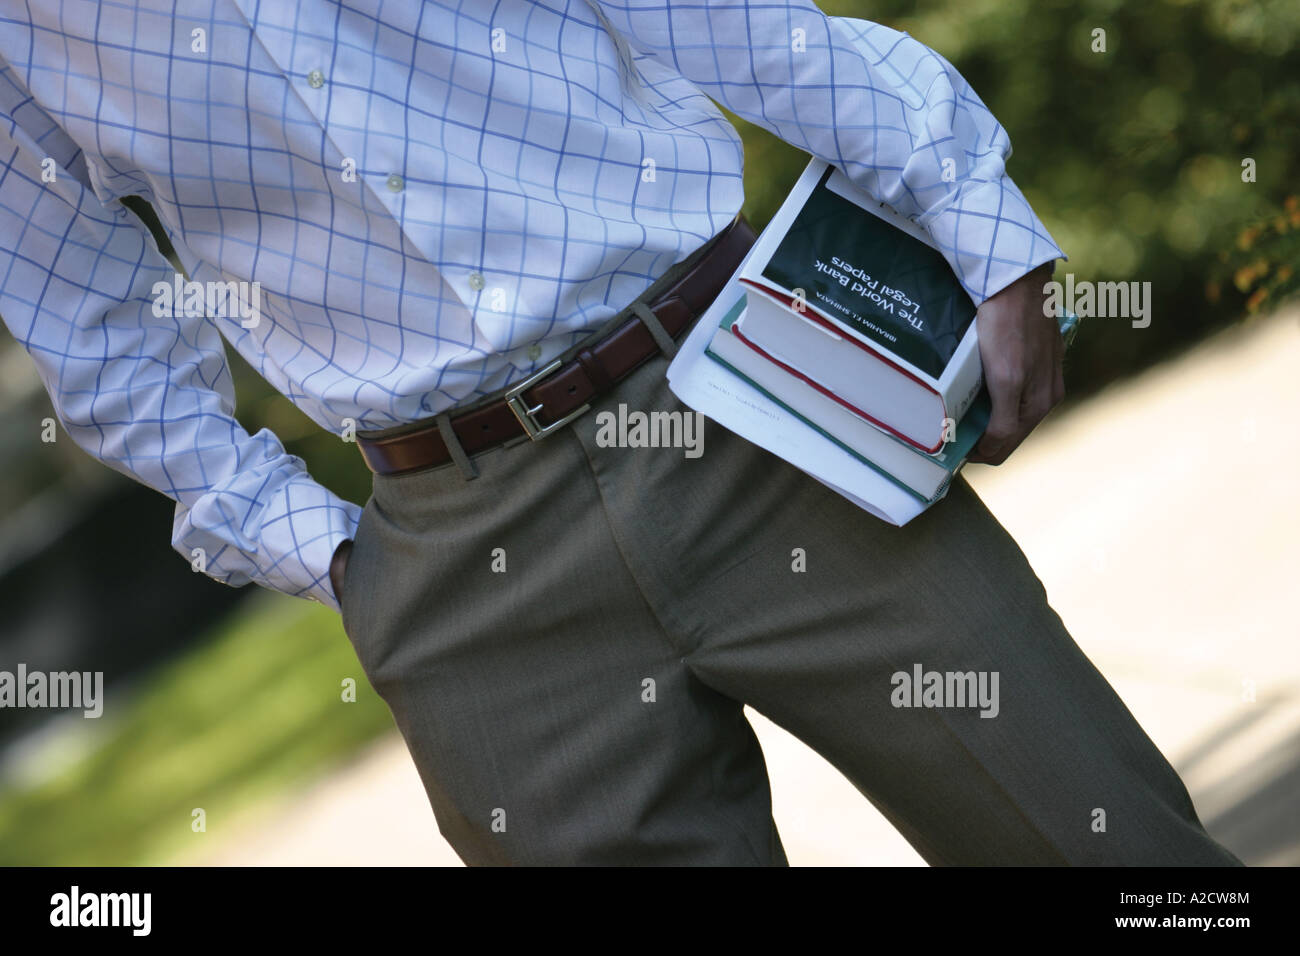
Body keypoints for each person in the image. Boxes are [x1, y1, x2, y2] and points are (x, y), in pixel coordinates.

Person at [0, 1, 1241, 866]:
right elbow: (90, 321)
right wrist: (334, 558)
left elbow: (724, 17)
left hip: (750, 416)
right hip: (457, 563)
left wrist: (967, 204)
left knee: (1107, 846)